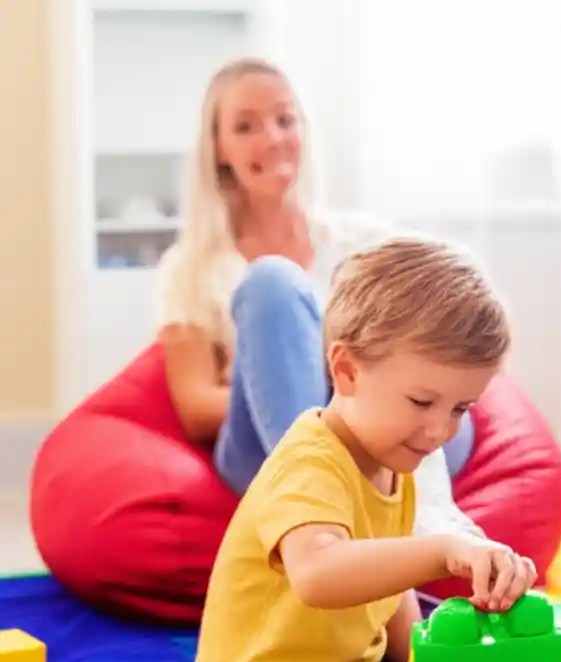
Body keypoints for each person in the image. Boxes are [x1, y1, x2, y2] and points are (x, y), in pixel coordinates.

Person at [188, 237, 539, 662]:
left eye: (460, 409)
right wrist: (441, 550)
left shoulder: (396, 463)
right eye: (421, 402)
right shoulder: (311, 459)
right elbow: (317, 574)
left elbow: (389, 595)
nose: (439, 431)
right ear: (347, 370)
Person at [154, 57, 479, 535]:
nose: (272, 138)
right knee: (273, 283)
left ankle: (400, 517)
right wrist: (298, 385)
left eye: (285, 120)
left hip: (390, 433)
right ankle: (320, 510)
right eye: (246, 127)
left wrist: (359, 397)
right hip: (266, 451)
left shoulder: (363, 239)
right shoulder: (191, 267)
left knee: (423, 315)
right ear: (217, 147)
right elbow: (195, 405)